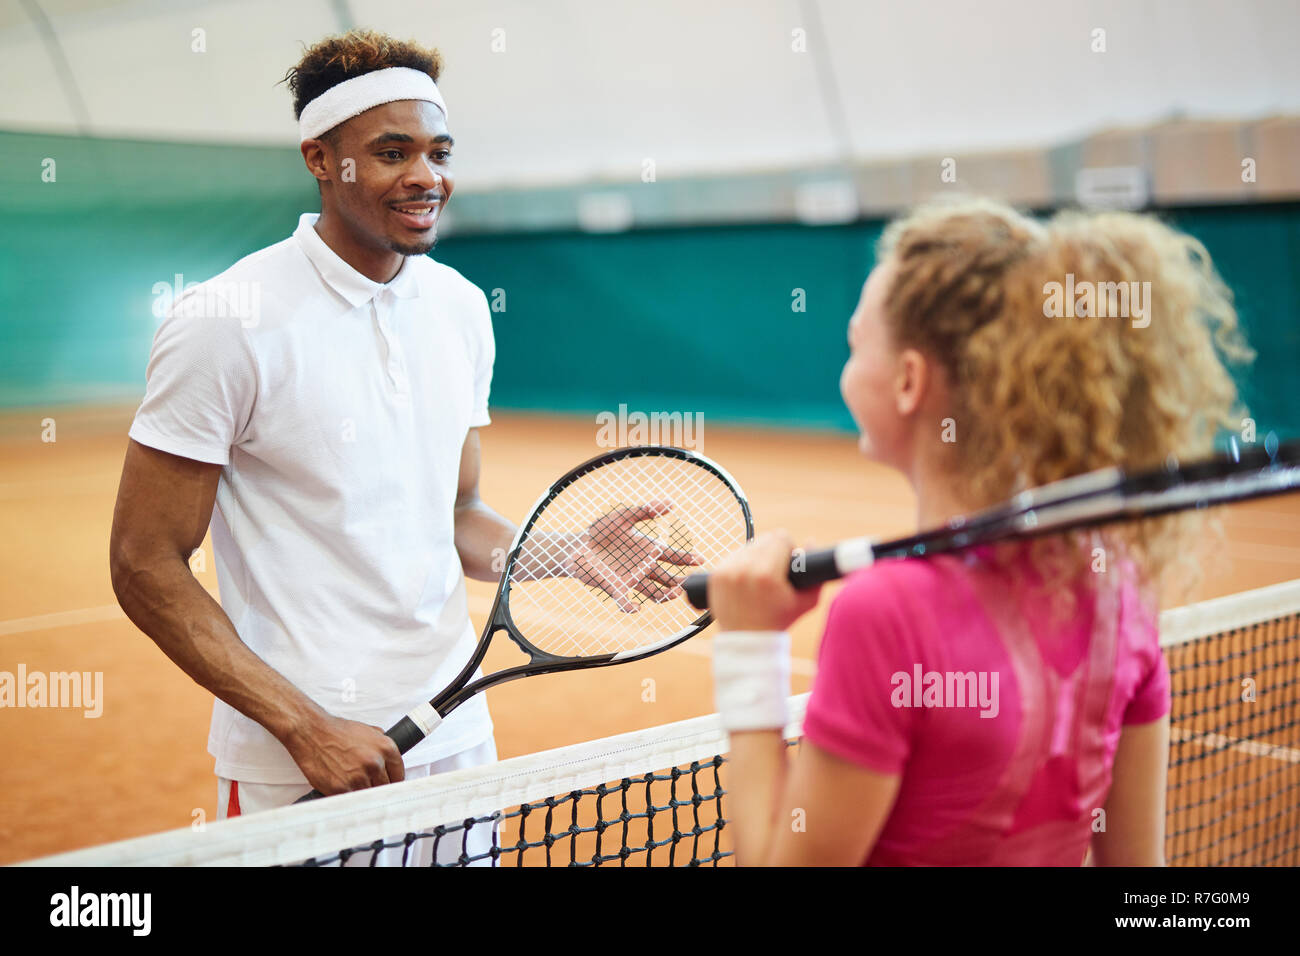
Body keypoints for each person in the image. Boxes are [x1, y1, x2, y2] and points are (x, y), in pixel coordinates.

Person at [108, 29, 681, 866]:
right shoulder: (222, 322)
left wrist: (560, 552)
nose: (426, 177)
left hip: (456, 741)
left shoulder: (459, 307)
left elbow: (456, 513)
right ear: (320, 158)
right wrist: (306, 726)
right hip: (298, 764)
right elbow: (145, 563)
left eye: (440, 151)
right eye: (391, 152)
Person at [706, 198, 1252, 866]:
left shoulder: (885, 616)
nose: (846, 365)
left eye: (854, 346)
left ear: (909, 382)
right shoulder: (1120, 589)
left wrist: (749, 648)